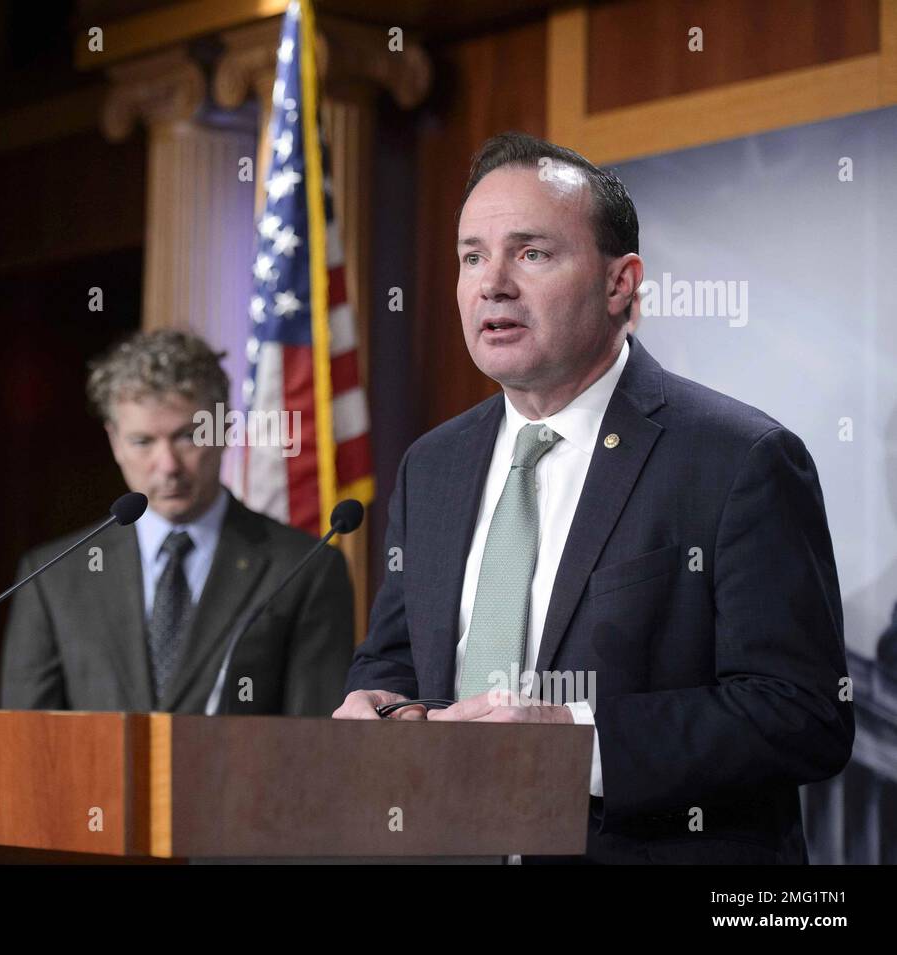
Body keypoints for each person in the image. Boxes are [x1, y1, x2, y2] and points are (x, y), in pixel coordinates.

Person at [336, 133, 853, 864]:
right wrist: (378, 703)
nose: (492, 284)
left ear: (621, 284)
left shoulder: (739, 458)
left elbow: (804, 713)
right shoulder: (433, 465)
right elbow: (392, 658)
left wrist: (580, 745)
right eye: (472, 257)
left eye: (532, 253)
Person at [0, 330, 353, 716]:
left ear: (224, 429)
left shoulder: (305, 569)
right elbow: (28, 748)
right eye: (142, 442)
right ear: (115, 443)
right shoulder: (52, 576)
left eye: (187, 436)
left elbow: (316, 746)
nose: (167, 466)